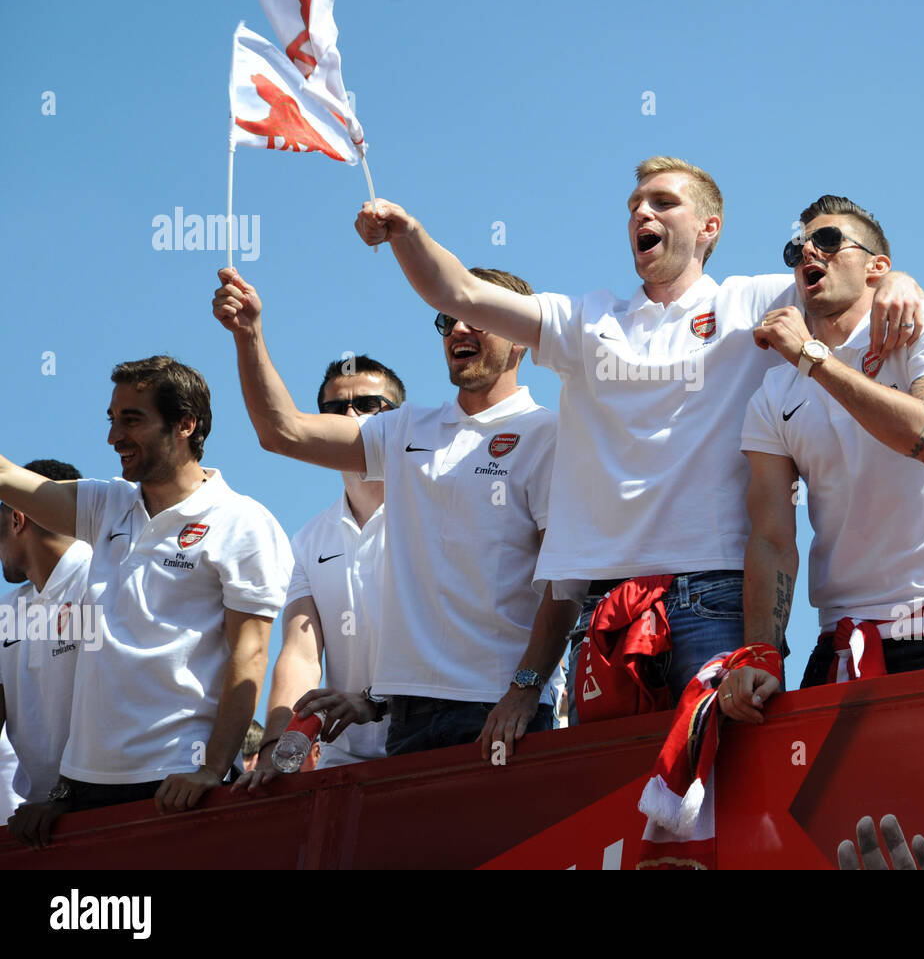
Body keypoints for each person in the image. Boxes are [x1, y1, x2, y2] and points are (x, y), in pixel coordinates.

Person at [352, 158, 924, 740]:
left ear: (710, 227)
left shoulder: (751, 301)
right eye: (633, 207)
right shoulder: (585, 322)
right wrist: (408, 234)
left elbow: (852, 280)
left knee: (722, 792)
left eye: (662, 202)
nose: (641, 213)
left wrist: (899, 280)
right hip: (607, 611)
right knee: (612, 805)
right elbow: (461, 293)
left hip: (719, 596)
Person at [212, 267, 562, 759]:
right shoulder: (404, 431)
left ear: (523, 335)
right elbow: (282, 432)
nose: (458, 329)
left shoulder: (550, 434)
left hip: (502, 710)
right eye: (448, 320)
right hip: (410, 719)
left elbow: (563, 582)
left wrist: (525, 689)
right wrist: (249, 333)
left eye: (476, 316)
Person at [722, 196, 924, 725]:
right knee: (818, 810)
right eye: (798, 247)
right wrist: (761, 651)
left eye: (829, 240)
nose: (809, 249)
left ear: (878, 267)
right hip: (843, 640)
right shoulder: (772, 393)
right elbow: (771, 538)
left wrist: (814, 359)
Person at [0, 357, 292, 848]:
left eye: (131, 419)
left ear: (185, 424)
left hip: (177, 781)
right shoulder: (106, 505)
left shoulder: (243, 521)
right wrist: (65, 792)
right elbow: (9, 478)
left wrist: (212, 769)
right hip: (84, 788)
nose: (114, 437)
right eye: (112, 420)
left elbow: (251, 655)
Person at [237, 356, 404, 787]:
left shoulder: (436, 510)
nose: (350, 417)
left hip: (434, 745)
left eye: (368, 404)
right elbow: (300, 656)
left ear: (401, 418)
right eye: (334, 409)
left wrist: (376, 701)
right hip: (344, 763)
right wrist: (276, 750)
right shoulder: (309, 540)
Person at [0, 460, 93, 806]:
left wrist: (65, 797)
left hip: (107, 808)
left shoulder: (100, 581)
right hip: (42, 820)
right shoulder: (8, 609)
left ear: (16, 519)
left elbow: (119, 708)